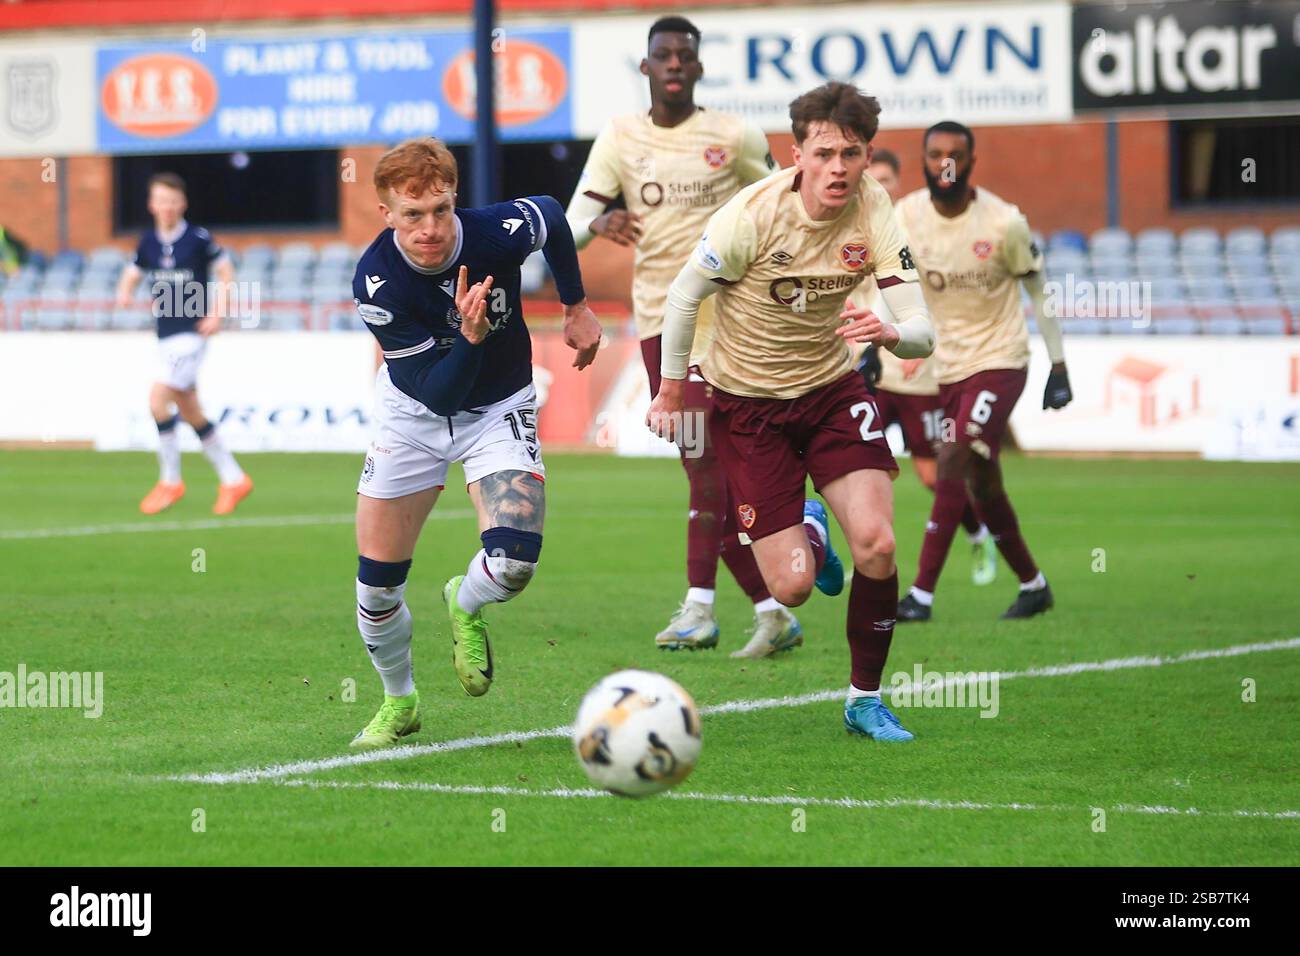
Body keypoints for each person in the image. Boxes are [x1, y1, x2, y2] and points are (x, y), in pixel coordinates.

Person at [648, 82, 935, 742]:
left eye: (852, 153)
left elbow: (921, 328)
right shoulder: (750, 216)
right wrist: (669, 391)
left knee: (879, 545)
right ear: (796, 152)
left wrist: (892, 335)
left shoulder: (875, 209)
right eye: (825, 152)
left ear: (867, 157)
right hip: (747, 409)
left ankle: (865, 699)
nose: (839, 167)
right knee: (796, 588)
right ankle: (810, 524)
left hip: (833, 392)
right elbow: (684, 298)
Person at [348, 137, 602, 749]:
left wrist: (575, 305)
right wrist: (470, 335)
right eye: (412, 216)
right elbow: (436, 395)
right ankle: (399, 701)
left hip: (499, 408)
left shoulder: (495, 231)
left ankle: (464, 601)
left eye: (440, 209)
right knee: (378, 586)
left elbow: (554, 215)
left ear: (455, 199)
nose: (430, 228)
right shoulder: (378, 284)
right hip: (414, 415)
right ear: (388, 214)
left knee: (514, 564)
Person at [565, 16, 797, 659]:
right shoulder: (619, 137)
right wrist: (602, 218)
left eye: (684, 56)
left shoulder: (734, 135)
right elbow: (571, 222)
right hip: (664, 326)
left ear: (698, 68)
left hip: (739, 322)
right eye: (662, 56)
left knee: (721, 470)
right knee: (703, 465)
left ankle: (737, 603)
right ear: (645, 68)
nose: (673, 64)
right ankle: (759, 608)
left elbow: (784, 199)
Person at [892, 121, 1071, 623]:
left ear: (970, 162)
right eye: (934, 154)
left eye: (954, 155)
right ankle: (1034, 586)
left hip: (1001, 361)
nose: (944, 164)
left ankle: (921, 595)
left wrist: (1058, 363)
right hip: (949, 368)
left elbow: (1039, 289)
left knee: (951, 459)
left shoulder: (1003, 222)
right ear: (924, 160)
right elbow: (881, 275)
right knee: (985, 485)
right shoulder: (906, 216)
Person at [858, 148, 997, 586]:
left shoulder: (912, 232)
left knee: (932, 475)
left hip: (917, 374)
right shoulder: (848, 227)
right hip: (870, 371)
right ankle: (869, 549)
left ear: (898, 184)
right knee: (856, 465)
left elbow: (937, 301)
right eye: (871, 179)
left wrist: (925, 351)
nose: (878, 187)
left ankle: (979, 534)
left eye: (886, 179)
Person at [115, 173, 252, 516]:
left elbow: (226, 273)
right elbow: (133, 270)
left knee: (158, 400)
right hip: (164, 336)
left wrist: (218, 313)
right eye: (160, 200)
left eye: (172, 200)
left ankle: (170, 481)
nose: (166, 207)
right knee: (190, 410)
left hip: (191, 336)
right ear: (152, 205)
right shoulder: (148, 242)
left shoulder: (198, 239)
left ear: (182, 204)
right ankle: (234, 479)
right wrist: (125, 292)